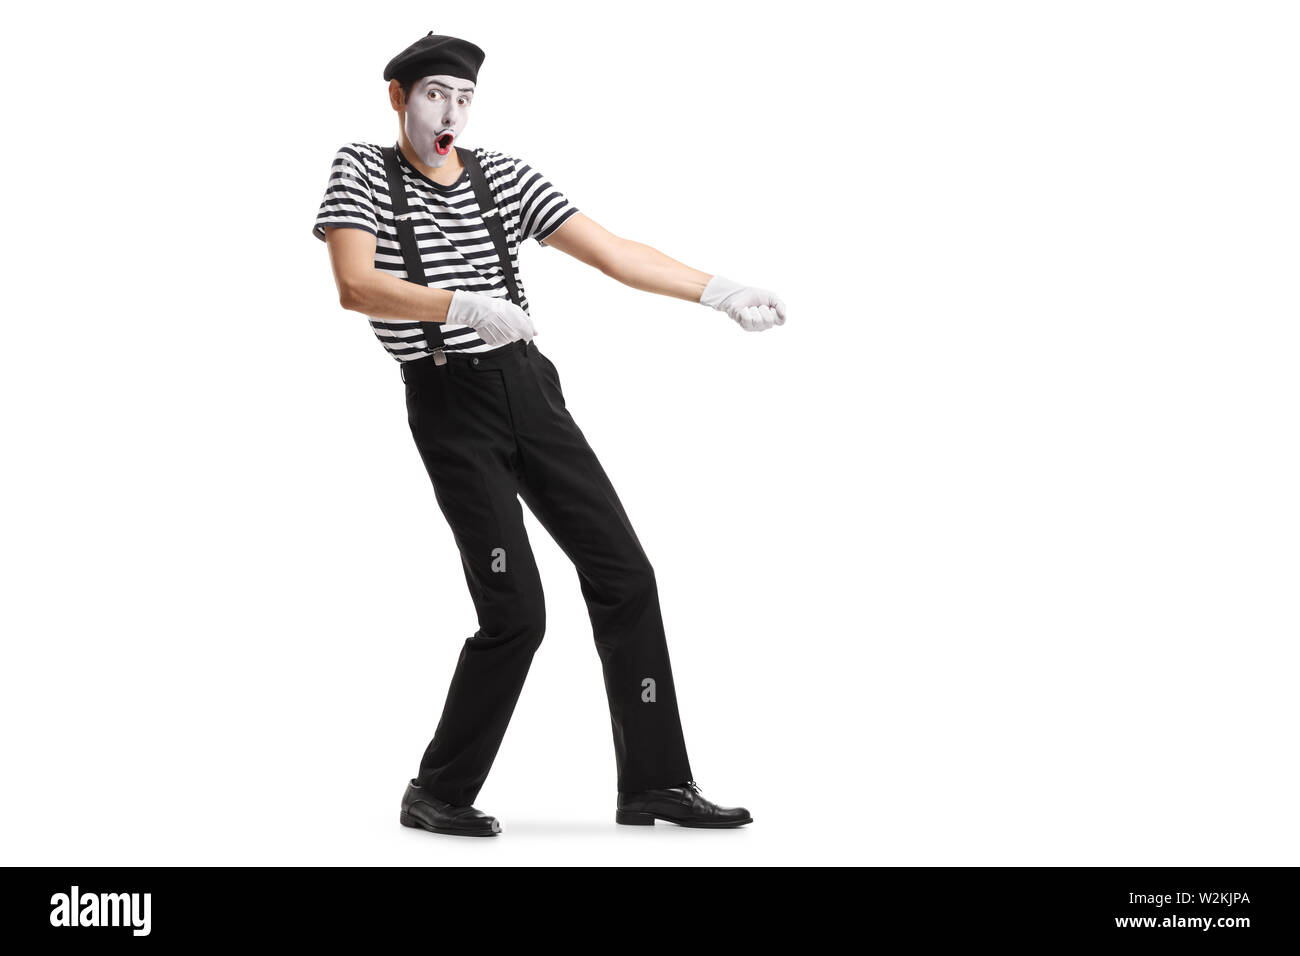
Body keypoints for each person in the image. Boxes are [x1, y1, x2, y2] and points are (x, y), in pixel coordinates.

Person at [313, 32, 786, 837]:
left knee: (626, 577)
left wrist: (717, 290)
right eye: (434, 94)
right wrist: (458, 306)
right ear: (397, 97)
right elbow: (356, 286)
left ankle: (655, 784)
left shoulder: (501, 176)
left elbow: (612, 251)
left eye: (463, 98)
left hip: (530, 389)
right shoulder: (360, 168)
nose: (449, 112)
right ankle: (438, 790)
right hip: (449, 400)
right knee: (518, 611)